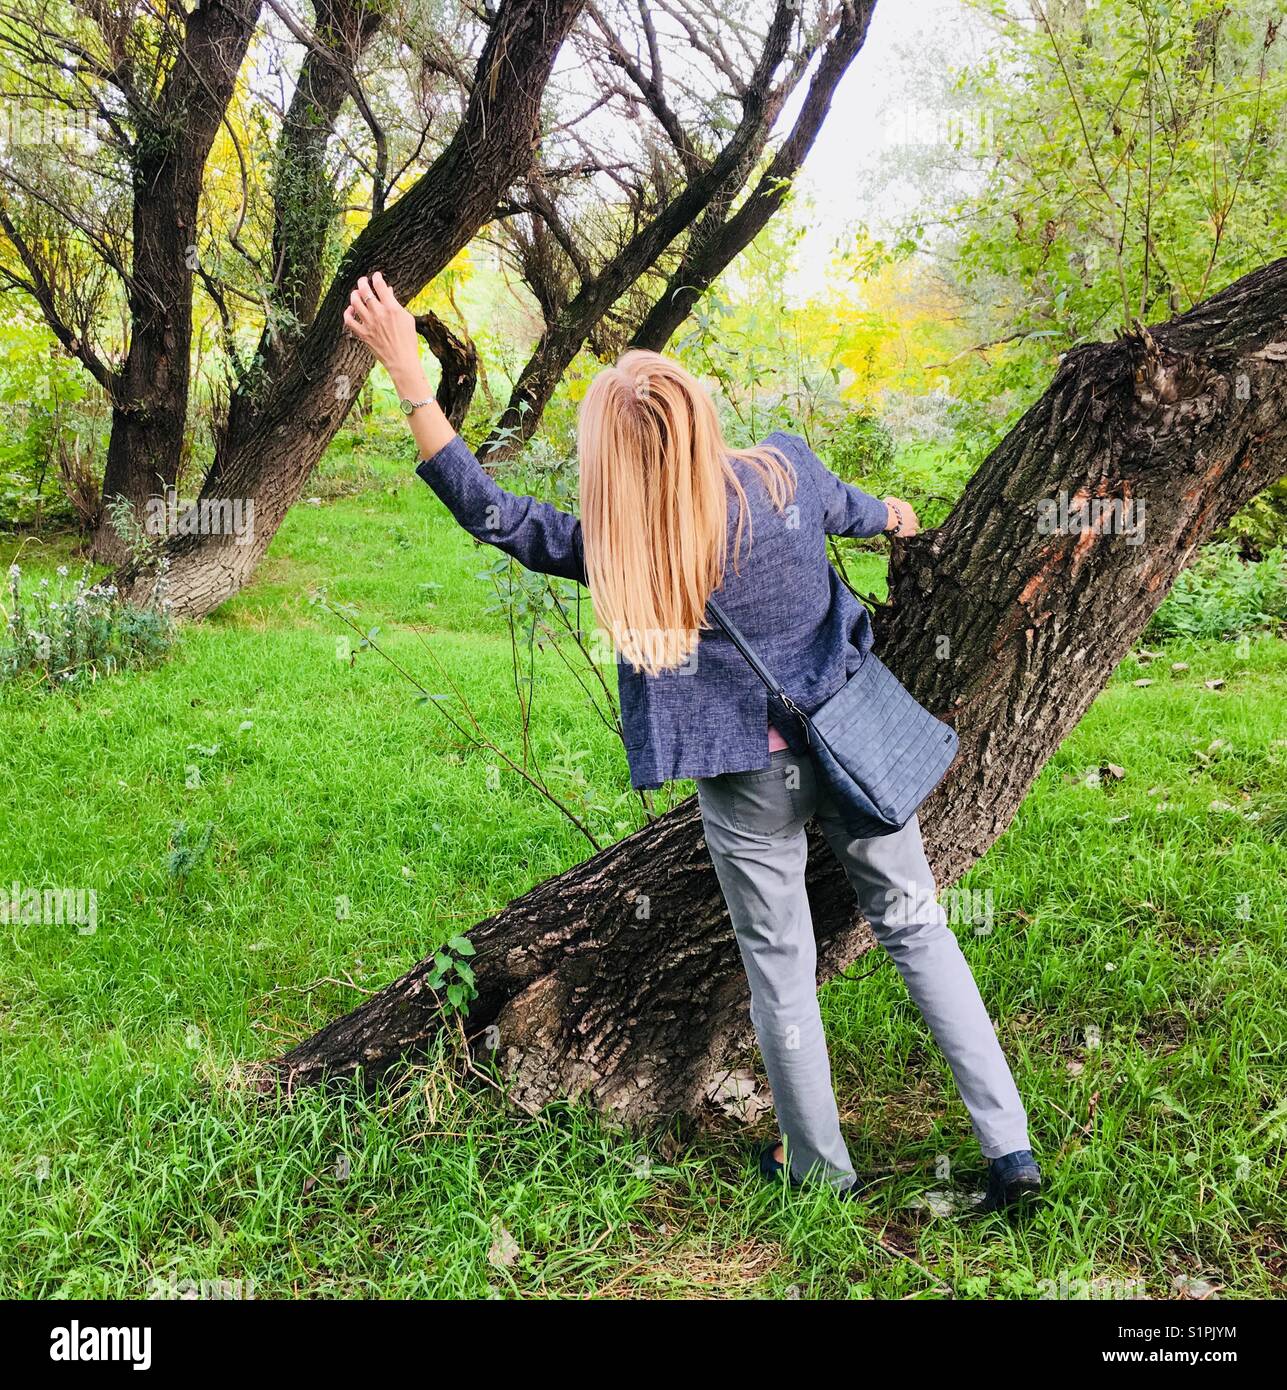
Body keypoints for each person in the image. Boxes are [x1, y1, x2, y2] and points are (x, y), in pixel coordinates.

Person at [343, 272, 1041, 1211]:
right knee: (917, 930)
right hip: (854, 745)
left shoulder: (622, 545)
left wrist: (411, 379)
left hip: (746, 776)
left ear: (611, 454)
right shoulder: (785, 475)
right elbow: (867, 513)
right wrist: (902, 519)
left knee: (781, 974)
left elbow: (491, 514)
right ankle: (1009, 1154)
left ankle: (819, 1172)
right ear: (700, 413)